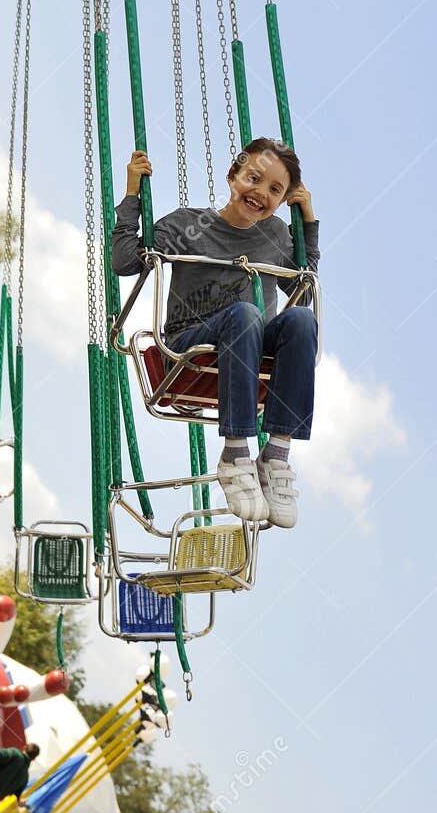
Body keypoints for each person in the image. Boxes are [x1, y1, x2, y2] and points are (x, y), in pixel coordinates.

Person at [111, 137, 319, 529]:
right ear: (232, 175)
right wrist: (132, 194)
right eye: (253, 178)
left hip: (250, 346)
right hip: (191, 343)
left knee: (302, 322)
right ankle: (236, 453)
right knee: (244, 313)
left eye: (275, 189)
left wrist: (307, 221)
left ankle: (275, 455)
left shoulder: (275, 235)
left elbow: (303, 292)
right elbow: (124, 262)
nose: (260, 193)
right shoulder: (189, 224)